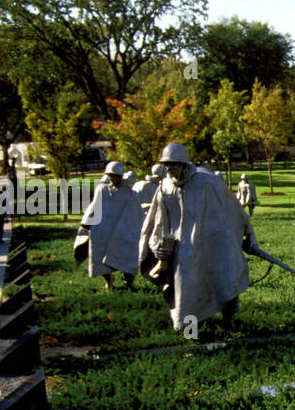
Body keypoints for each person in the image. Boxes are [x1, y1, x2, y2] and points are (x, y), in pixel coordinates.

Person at [140, 143, 254, 333]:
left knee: (225, 281)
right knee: (186, 290)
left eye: (174, 165)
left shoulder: (207, 182)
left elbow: (232, 209)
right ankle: (191, 329)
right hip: (183, 248)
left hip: (214, 243)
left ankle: (228, 320)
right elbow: (159, 220)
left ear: (184, 164)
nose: (170, 170)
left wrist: (247, 233)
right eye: (167, 165)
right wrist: (157, 245)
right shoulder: (165, 187)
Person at [78, 161, 142, 290]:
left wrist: (133, 230)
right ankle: (109, 279)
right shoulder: (101, 189)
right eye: (110, 175)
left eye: (115, 176)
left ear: (121, 176)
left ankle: (129, 283)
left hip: (122, 231)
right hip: (103, 230)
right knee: (99, 256)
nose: (113, 178)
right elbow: (94, 206)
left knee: (127, 255)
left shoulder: (130, 194)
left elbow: (136, 214)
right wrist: (85, 224)